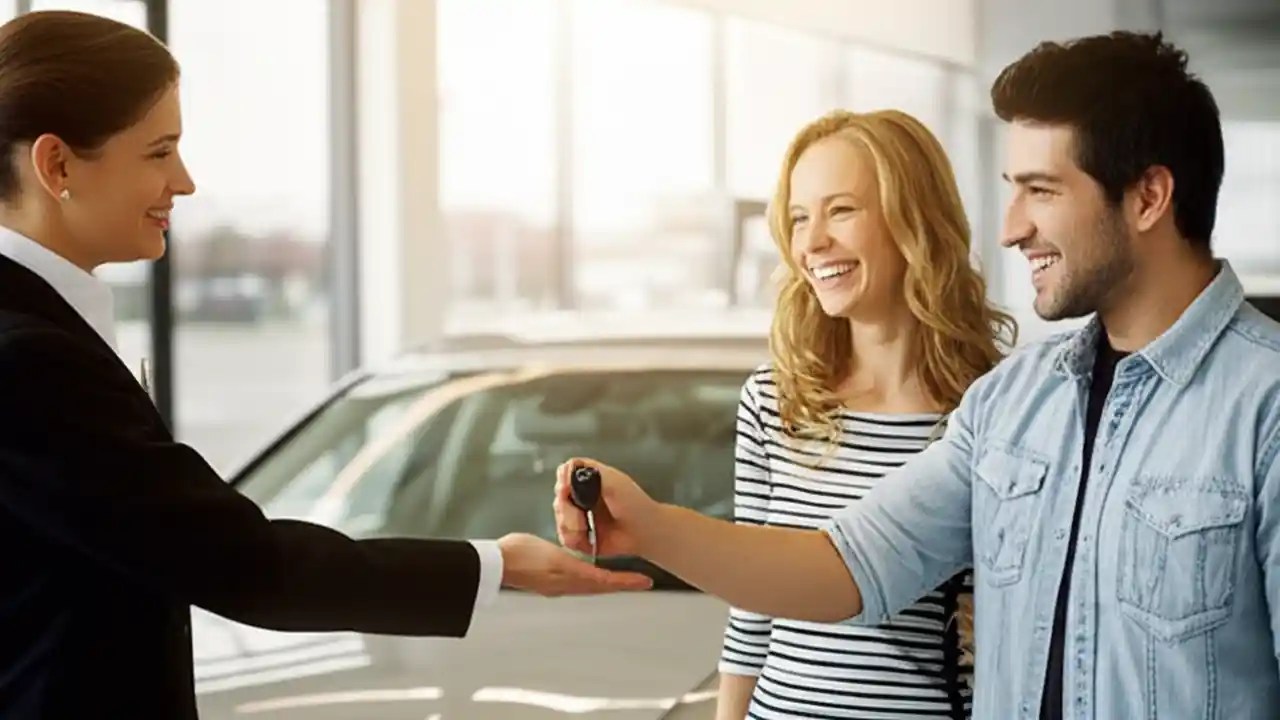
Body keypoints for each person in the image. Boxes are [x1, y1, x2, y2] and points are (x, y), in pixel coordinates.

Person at [554, 30, 1280, 720]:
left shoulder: (1265, 410)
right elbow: (845, 567)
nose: (1011, 227)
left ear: (1149, 198)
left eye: (1043, 190)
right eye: (1012, 189)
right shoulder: (1012, 404)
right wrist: (650, 526)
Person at [0, 11, 648, 719]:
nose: (183, 182)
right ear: (57, 164)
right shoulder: (29, 356)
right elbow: (241, 563)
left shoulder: (44, 331)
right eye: (159, 152)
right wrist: (498, 563)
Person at [712, 108, 1015, 720]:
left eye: (841, 210)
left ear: (914, 219)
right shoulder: (774, 400)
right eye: (799, 218)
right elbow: (751, 612)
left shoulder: (993, 406)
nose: (812, 242)